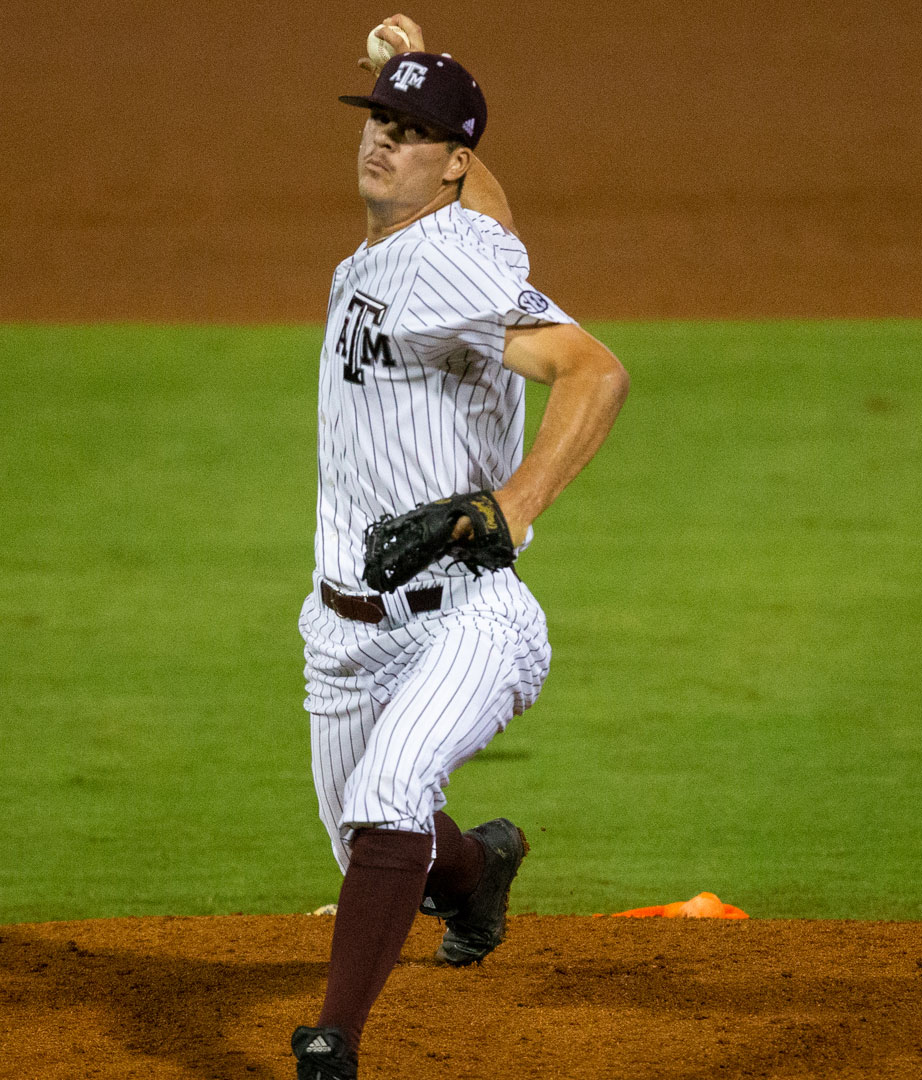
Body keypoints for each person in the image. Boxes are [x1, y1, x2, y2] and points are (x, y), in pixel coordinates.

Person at [290, 16, 629, 1080]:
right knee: (374, 849)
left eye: (410, 130)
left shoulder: (449, 271)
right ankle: (479, 871)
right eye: (379, 120)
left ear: (453, 161)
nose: (381, 141)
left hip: (466, 620)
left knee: (387, 804)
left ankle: (334, 1042)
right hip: (341, 630)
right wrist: (408, 65)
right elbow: (494, 210)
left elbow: (594, 371)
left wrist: (513, 504)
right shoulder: (451, 230)